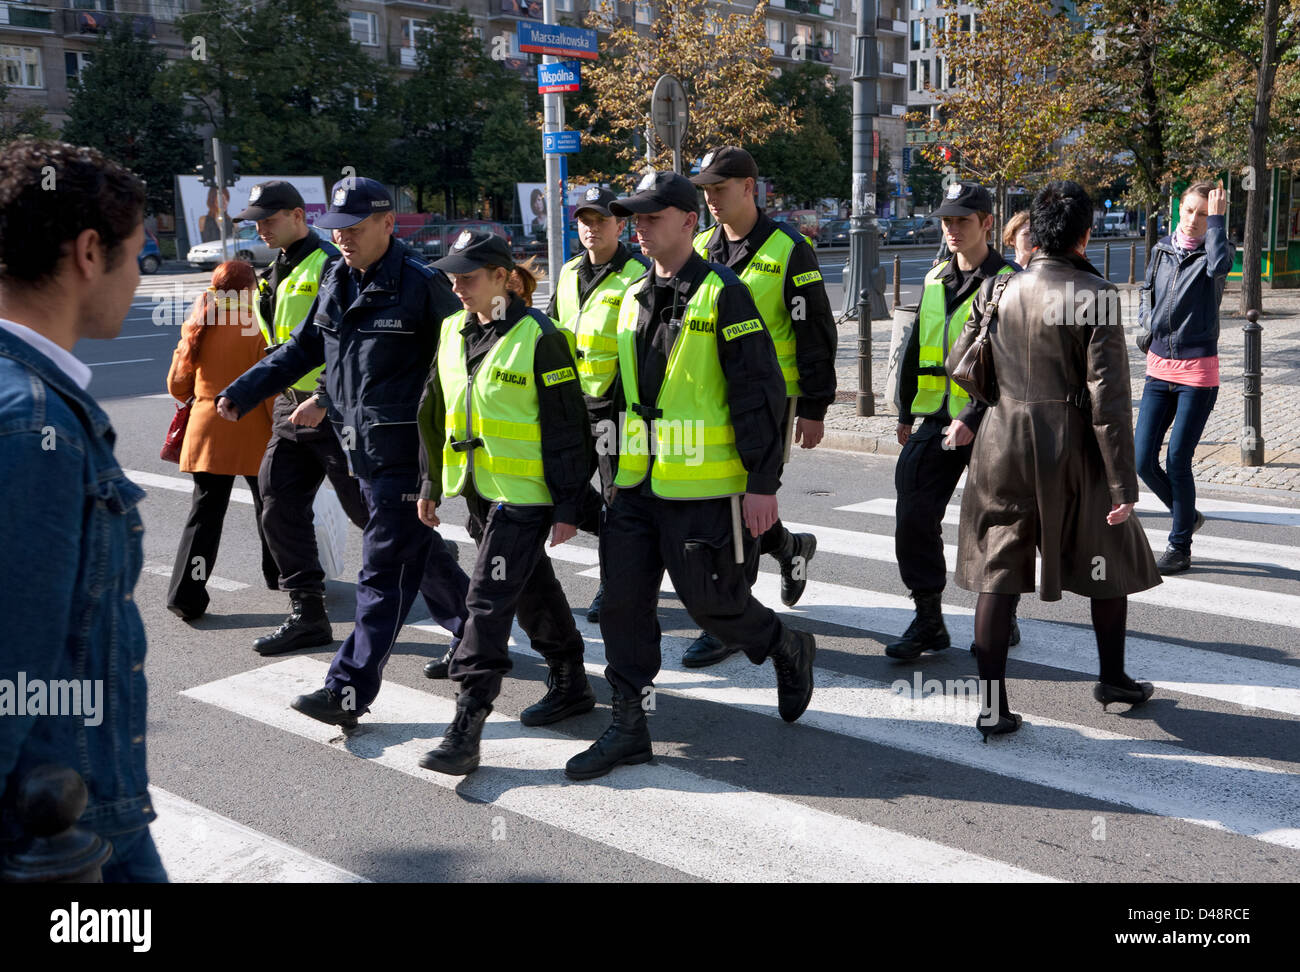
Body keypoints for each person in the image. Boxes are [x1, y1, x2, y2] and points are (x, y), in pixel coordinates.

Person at [564, 172, 816, 782]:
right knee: (622, 607)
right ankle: (628, 725)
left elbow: (759, 390)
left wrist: (762, 484)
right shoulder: (631, 297)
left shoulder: (723, 294)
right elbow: (615, 395)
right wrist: (581, 476)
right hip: (635, 485)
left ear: (686, 222)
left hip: (705, 488)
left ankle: (783, 644)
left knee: (713, 606)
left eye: (652, 218)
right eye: (637, 220)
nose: (641, 229)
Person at [216, 177, 470, 730]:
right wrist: (244, 389)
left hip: (407, 451)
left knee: (380, 569)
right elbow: (307, 347)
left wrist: (453, 452)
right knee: (412, 551)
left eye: (356, 228)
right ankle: (483, 632)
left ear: (387, 223)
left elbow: (461, 363)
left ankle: (347, 688)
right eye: (339, 229)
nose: (345, 239)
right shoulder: (337, 274)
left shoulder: (424, 286)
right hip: (360, 448)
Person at [0, 139, 165, 880]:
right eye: (137, 254)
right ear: (90, 252)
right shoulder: (34, 420)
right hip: (63, 834)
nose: (140, 275)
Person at [948, 180, 1162, 740]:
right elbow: (1108, 399)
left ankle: (992, 707)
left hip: (1001, 440)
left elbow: (959, 361)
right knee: (1105, 555)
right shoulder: (1096, 293)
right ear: (1085, 235)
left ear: (1034, 234)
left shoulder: (997, 288)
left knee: (999, 568)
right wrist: (1123, 485)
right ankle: (1113, 678)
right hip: (1071, 446)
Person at [416, 231, 593, 775]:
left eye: (468, 276)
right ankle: (570, 678)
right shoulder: (452, 330)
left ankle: (466, 726)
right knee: (530, 584)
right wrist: (429, 485)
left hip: (524, 497)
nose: (457, 286)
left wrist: (567, 505)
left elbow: (570, 428)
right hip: (476, 488)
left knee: (486, 602)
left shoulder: (541, 337)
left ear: (501, 276)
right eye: (452, 276)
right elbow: (434, 409)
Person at [683, 145, 838, 667]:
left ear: (750, 187)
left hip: (770, 402)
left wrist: (814, 407)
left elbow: (815, 331)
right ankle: (789, 547)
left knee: (738, 502)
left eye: (719, 190)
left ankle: (732, 617)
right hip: (708, 401)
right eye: (705, 192)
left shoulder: (789, 249)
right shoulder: (702, 246)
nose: (711, 200)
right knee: (729, 503)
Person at [231, 180, 371, 656]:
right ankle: (307, 612)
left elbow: (348, 344)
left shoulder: (333, 262)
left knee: (369, 511)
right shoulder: (275, 268)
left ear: (298, 214)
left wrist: (326, 398)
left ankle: (441, 574)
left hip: (334, 407)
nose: (261, 228)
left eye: (269, 219)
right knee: (277, 503)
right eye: (256, 221)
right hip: (291, 407)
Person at [887, 181, 1018, 661]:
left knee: (995, 524)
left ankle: (1004, 610)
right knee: (913, 514)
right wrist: (905, 410)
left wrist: (971, 413)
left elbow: (1013, 363)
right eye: (947, 220)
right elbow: (914, 348)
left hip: (993, 421)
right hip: (936, 420)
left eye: (962, 219)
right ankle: (928, 619)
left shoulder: (1010, 282)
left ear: (987, 222)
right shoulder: (936, 276)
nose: (952, 228)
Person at [545, 186, 651, 623]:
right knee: (565, 487)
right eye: (584, 221)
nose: (591, 229)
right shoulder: (569, 272)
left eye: (601, 221)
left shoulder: (638, 272)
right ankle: (623, 549)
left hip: (616, 404)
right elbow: (550, 334)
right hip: (573, 402)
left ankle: (613, 582)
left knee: (616, 497)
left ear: (620, 225)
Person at [165, 261, 279, 619]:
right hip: (253, 430)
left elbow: (176, 386)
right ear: (248, 289)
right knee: (272, 507)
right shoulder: (258, 324)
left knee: (205, 517)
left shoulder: (198, 321)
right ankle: (280, 576)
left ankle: (186, 596)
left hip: (207, 432)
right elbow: (272, 386)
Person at [1135, 180, 1233, 575]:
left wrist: (1219, 224)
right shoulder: (1161, 250)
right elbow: (1146, 290)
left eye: (1203, 213)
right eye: (1190, 211)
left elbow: (1220, 266)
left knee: (1177, 459)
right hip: (1158, 367)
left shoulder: (1212, 253)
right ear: (1179, 209)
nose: (1194, 220)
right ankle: (1187, 515)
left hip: (1197, 372)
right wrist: (1146, 322)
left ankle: (1180, 546)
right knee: (1142, 460)